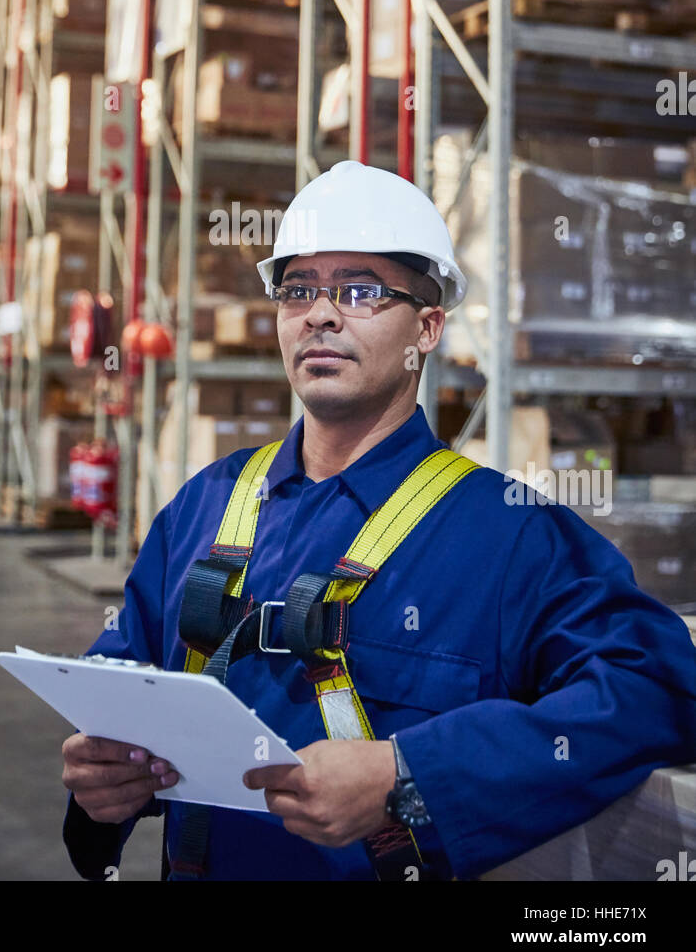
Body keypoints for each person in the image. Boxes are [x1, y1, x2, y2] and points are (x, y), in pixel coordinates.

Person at [61, 160, 696, 881]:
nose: (320, 314)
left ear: (427, 329)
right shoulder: (207, 506)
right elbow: (117, 677)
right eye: (298, 290)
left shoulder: (508, 535)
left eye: (359, 291)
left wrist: (407, 776)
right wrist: (103, 779)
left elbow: (656, 686)